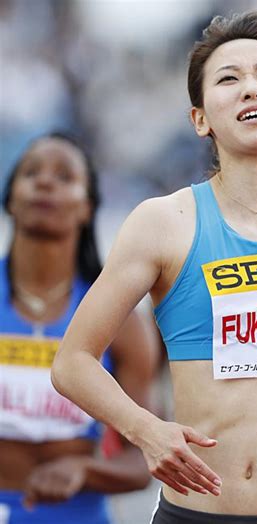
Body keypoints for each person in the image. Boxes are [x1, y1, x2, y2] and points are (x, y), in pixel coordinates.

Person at [52, 11, 257, 524]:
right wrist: (145, 429)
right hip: (198, 513)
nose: (251, 87)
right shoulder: (164, 224)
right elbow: (72, 362)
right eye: (229, 79)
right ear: (200, 119)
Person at [0, 131, 158, 523]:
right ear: (10, 198)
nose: (44, 181)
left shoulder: (120, 319)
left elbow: (144, 457)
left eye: (64, 176)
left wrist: (85, 470)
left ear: (86, 207)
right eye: (31, 172)